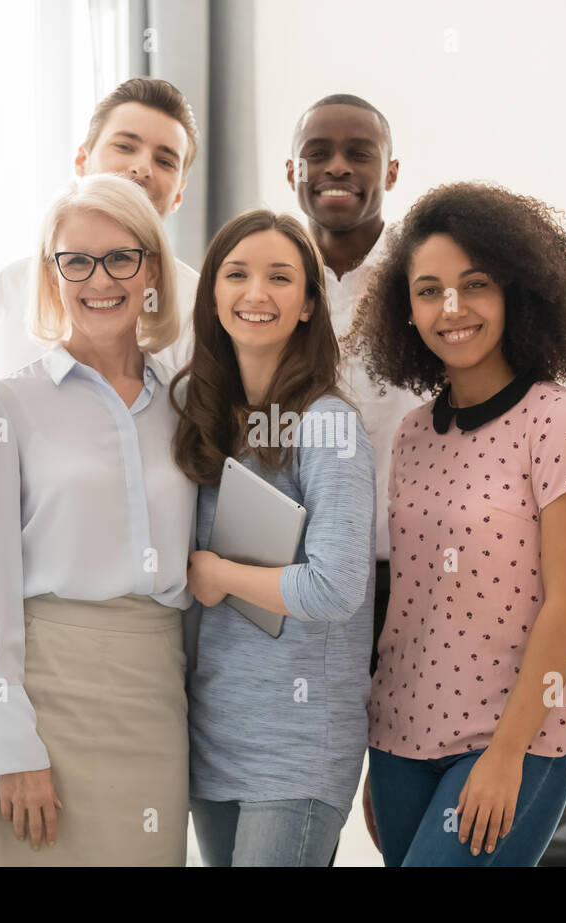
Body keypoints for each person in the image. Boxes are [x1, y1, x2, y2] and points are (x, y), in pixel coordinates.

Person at [347, 182, 566, 866]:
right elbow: (413, 602)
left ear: (517, 293)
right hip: (402, 734)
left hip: (519, 735)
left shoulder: (563, 423)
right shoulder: (411, 435)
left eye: (475, 284)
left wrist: (506, 754)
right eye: (429, 290)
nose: (451, 308)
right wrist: (384, 746)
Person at [0, 173, 195, 865]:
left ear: (151, 269)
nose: (98, 278)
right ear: (52, 275)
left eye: (120, 256)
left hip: (152, 698)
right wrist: (9, 736)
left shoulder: (188, 402)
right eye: (74, 260)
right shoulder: (9, 404)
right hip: (41, 692)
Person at [172, 210, 376, 866]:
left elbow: (335, 587)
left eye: (280, 277)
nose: (256, 293)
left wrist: (221, 576)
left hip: (297, 745)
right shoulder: (206, 419)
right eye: (237, 274)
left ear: (310, 305)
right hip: (216, 733)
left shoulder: (329, 426)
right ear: (211, 295)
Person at [286, 95, 422, 675]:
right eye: (317, 154)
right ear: (292, 172)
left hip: (416, 574)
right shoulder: (267, 282)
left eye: (359, 154)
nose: (337, 167)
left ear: (390, 171)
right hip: (295, 574)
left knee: (404, 754)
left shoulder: (427, 277)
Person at [0, 77, 201, 384]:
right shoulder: (10, 288)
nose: (142, 167)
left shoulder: (197, 307)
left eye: (164, 161)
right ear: (82, 160)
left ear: (179, 193)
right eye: (124, 146)